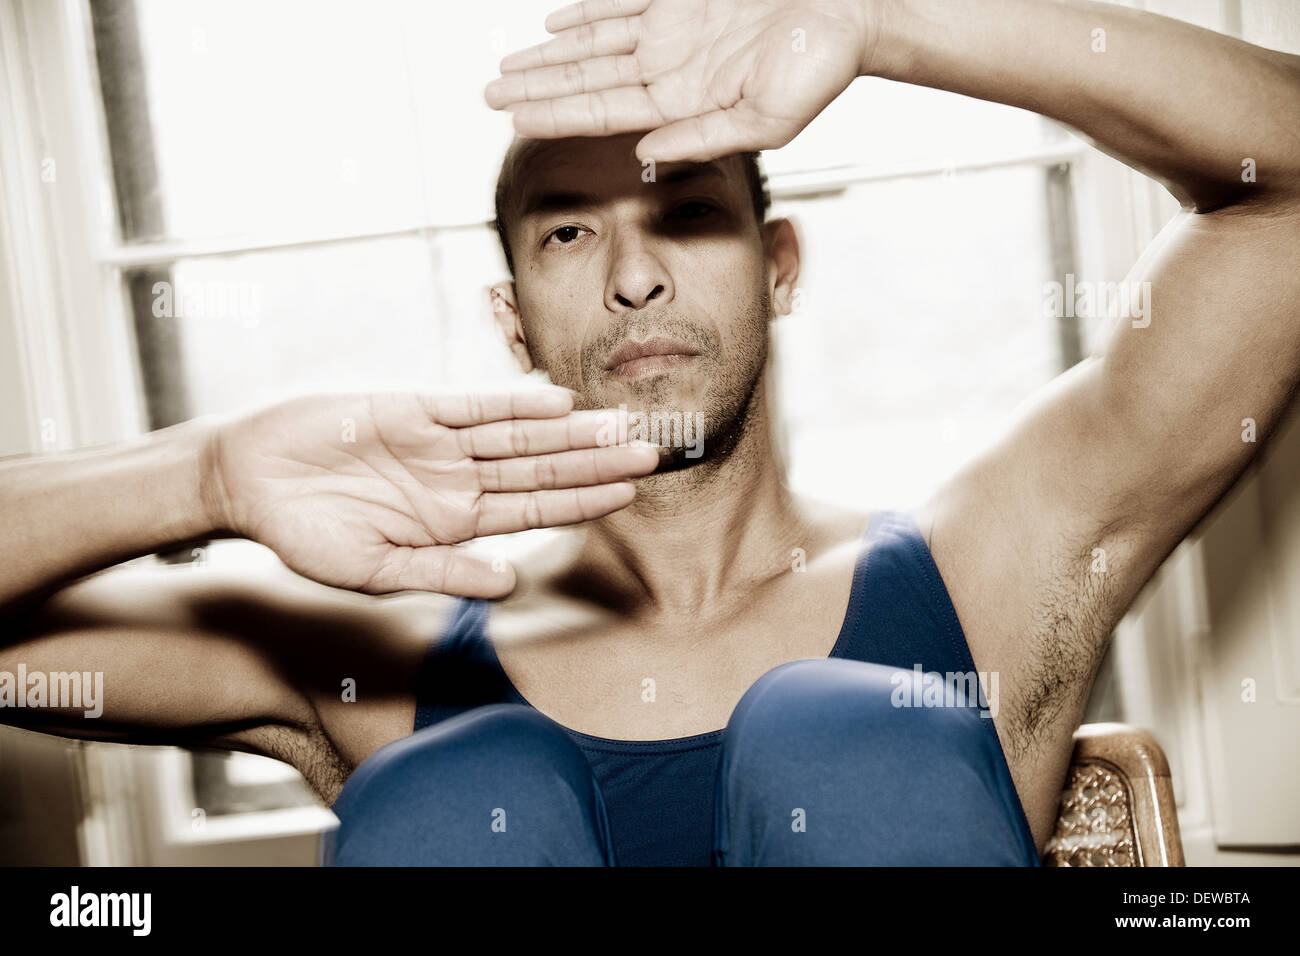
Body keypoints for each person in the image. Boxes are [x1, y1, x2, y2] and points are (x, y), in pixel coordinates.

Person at [2, 0, 1297, 866]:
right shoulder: (371, 654)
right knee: (461, 795)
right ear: (513, 320)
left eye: (686, 213)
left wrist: (878, 18)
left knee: (844, 741)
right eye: (571, 230)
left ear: (779, 263)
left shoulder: (987, 569)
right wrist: (203, 473)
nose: (633, 279)